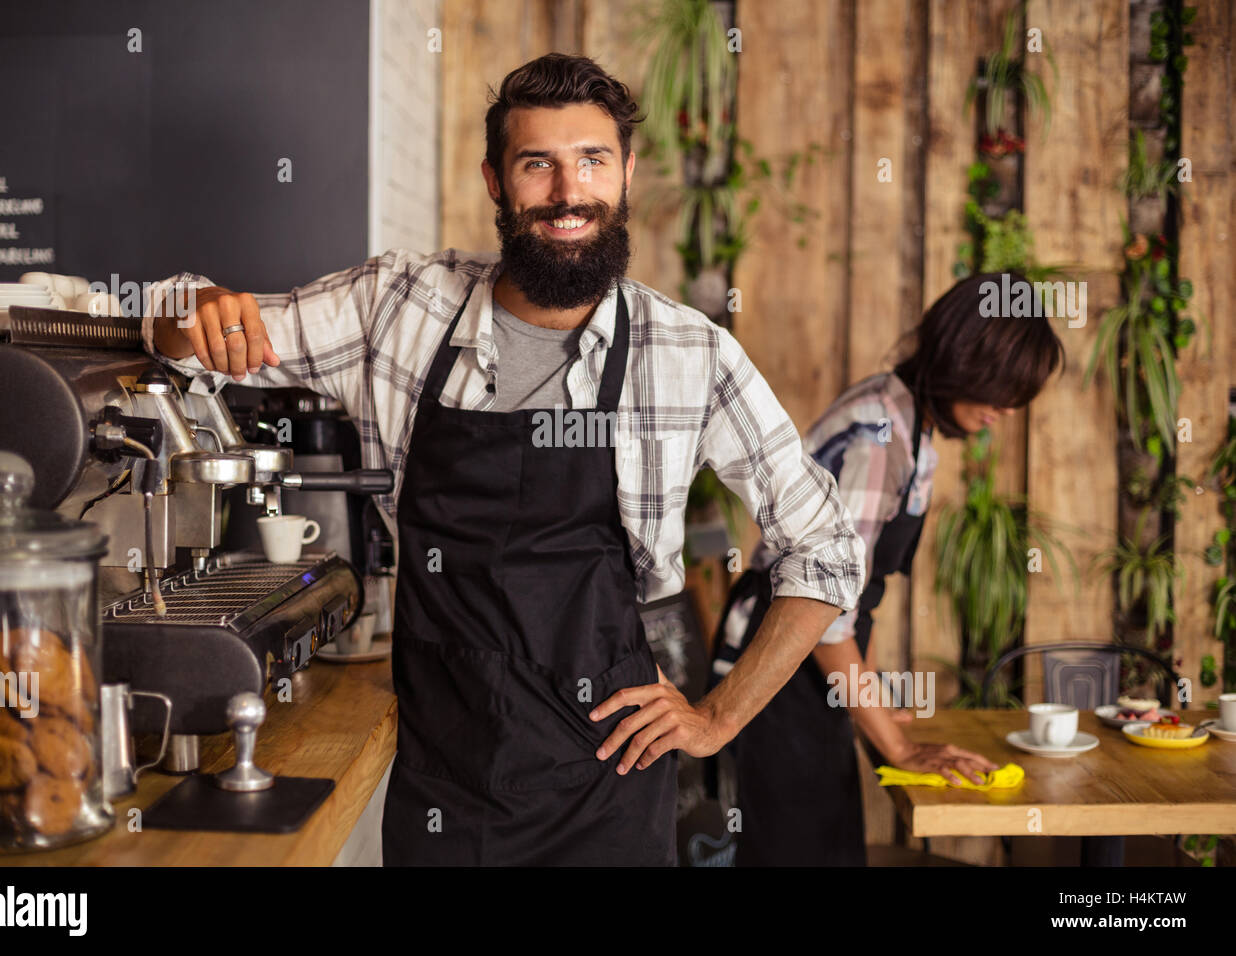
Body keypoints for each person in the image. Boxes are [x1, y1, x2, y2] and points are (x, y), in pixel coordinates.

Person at [144, 53, 865, 866]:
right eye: (538, 164)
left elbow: (827, 547)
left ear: (627, 173)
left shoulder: (689, 352)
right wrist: (192, 310)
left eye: (592, 160)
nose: (568, 193)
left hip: (610, 787)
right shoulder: (402, 306)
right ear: (496, 180)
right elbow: (195, 334)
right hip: (446, 784)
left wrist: (719, 717)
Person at [711, 272, 1065, 866]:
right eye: (1001, 390)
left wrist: (871, 703)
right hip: (778, 660)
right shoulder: (881, 439)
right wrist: (896, 745)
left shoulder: (910, 426)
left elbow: (855, 599)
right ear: (961, 361)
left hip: (811, 667)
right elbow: (822, 614)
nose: (1005, 411)